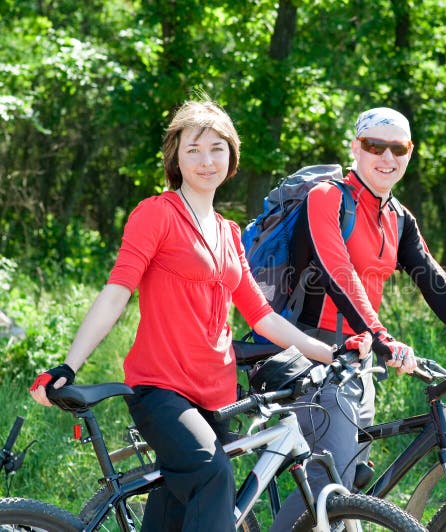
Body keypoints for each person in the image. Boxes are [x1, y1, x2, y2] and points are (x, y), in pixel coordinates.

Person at [28, 98, 370, 531]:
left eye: (217, 149)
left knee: (178, 511)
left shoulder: (229, 233)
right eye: (193, 149)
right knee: (213, 476)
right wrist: (68, 366)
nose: (206, 161)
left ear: (231, 156)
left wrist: (329, 353)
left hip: (217, 395)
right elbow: (117, 291)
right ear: (175, 156)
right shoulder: (157, 214)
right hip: (161, 389)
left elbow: (262, 316)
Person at [270, 106, 446, 530]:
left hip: (359, 358)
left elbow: (438, 285)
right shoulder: (328, 198)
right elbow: (338, 273)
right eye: (376, 145)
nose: (387, 157)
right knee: (325, 484)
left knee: (351, 479)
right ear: (356, 147)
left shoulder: (398, 217)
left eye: (399, 147)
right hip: (309, 351)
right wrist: (381, 335)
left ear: (410, 153)